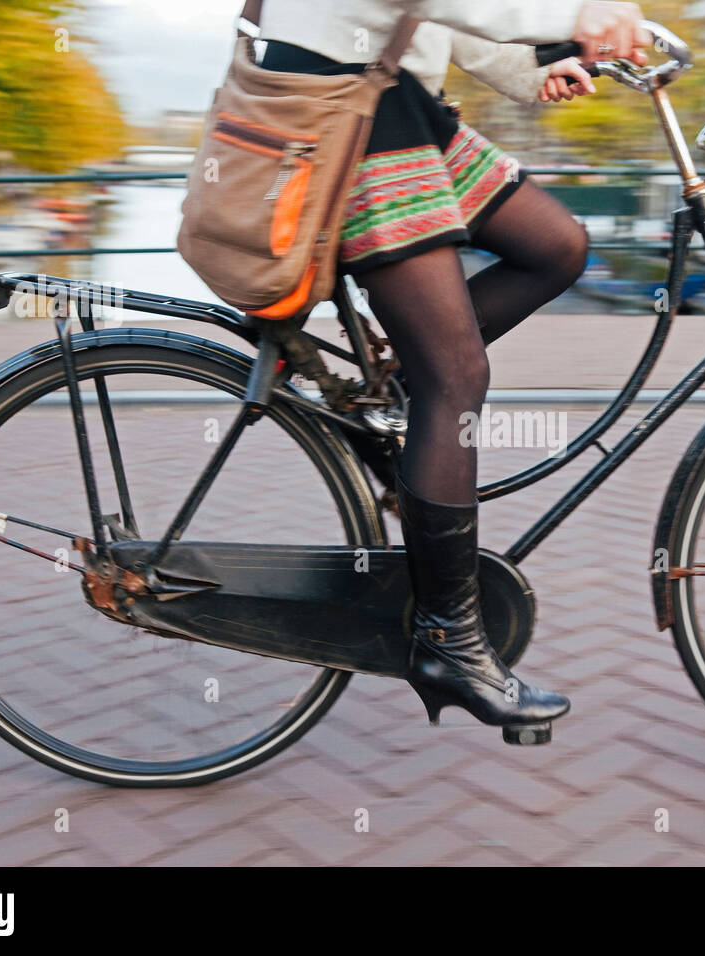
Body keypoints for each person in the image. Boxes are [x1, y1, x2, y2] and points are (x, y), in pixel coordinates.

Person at [253, 0, 649, 739]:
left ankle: (397, 398)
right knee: (457, 377)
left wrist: (539, 67)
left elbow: (434, 19)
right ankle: (449, 642)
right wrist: (586, 13)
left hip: (395, 99)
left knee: (556, 246)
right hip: (345, 105)